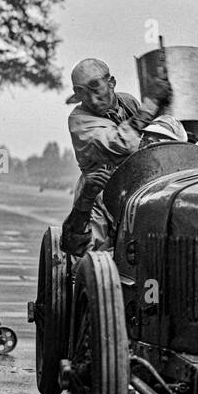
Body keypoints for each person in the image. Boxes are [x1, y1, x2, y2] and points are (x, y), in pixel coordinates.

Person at [60, 58, 172, 255]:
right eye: (84, 94)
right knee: (92, 256)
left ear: (111, 83)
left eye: (96, 89)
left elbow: (151, 132)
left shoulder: (128, 102)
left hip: (141, 182)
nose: (94, 101)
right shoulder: (78, 120)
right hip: (101, 189)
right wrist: (151, 105)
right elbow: (121, 143)